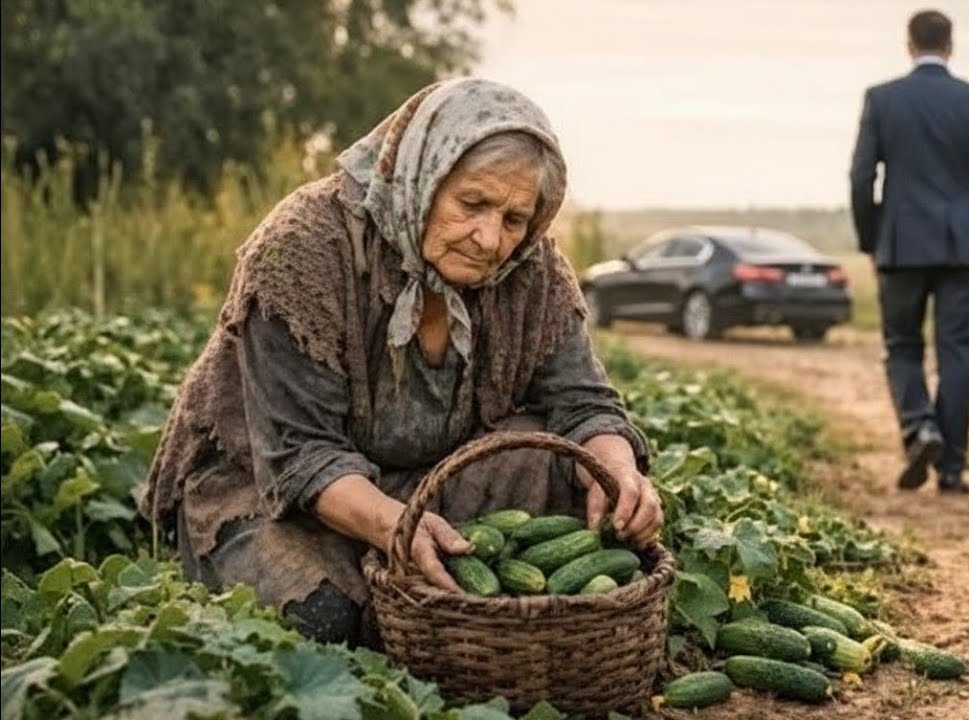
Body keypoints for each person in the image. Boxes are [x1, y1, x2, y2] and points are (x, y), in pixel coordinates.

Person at [141, 78, 663, 645]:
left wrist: (619, 470)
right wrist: (394, 527)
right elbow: (298, 455)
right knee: (329, 616)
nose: (490, 239)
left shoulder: (530, 270)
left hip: (426, 475)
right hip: (268, 492)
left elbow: (584, 402)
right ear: (422, 176)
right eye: (472, 203)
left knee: (579, 489)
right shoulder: (303, 250)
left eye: (514, 219)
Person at [849, 9, 969, 495]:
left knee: (902, 345)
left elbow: (862, 178)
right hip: (966, 245)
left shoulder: (882, 100)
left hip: (901, 245)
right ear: (951, 44)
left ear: (909, 44)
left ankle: (920, 426)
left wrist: (871, 239)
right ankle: (952, 471)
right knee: (956, 352)